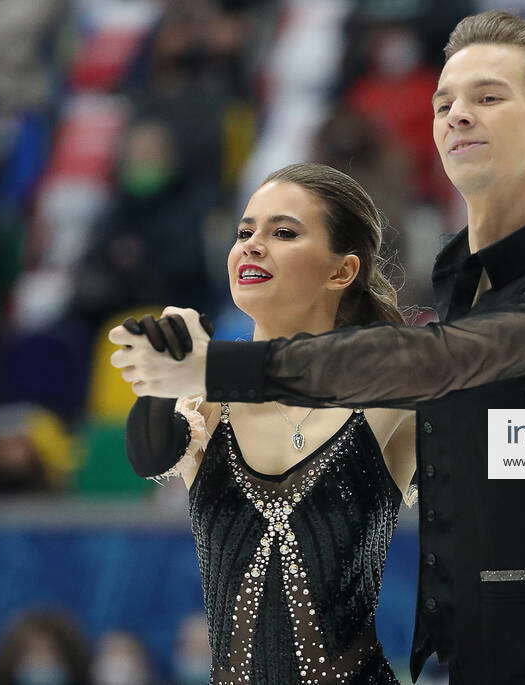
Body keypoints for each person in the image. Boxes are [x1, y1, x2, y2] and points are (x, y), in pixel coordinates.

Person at [111, 11, 525, 684]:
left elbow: (433, 366)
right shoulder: (461, 285)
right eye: (445, 101)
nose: (457, 115)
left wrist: (219, 365)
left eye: (488, 97)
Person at [111, 163, 417, 683]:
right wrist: (163, 380)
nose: (251, 245)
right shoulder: (204, 398)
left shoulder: (388, 396)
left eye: (283, 232)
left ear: (341, 272)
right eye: (244, 231)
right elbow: (150, 455)